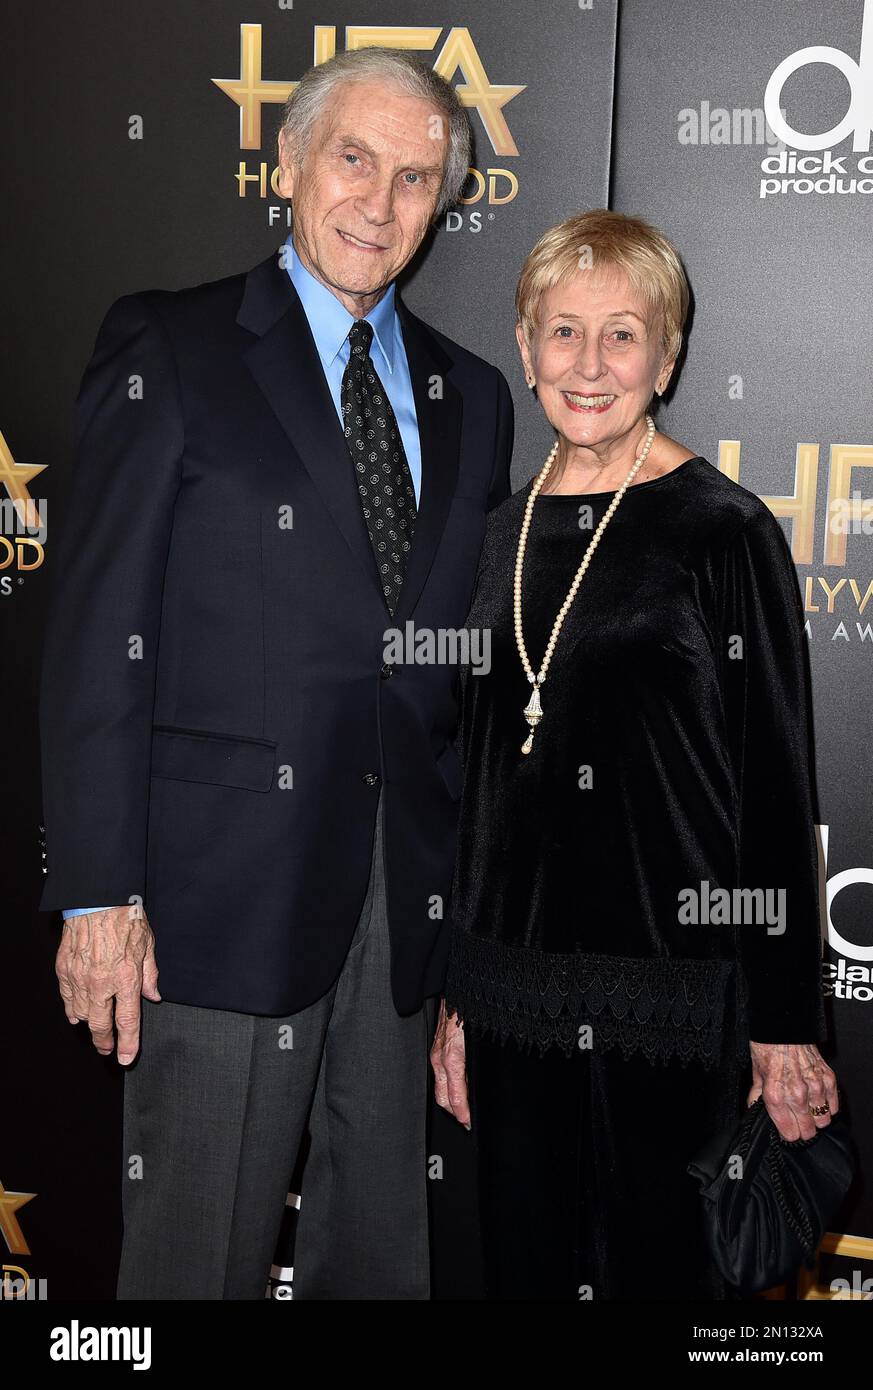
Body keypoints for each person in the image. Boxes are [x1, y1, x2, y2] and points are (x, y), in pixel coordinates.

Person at [38, 47, 513, 1300]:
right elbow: (96, 633)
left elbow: (457, 682)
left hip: (398, 910)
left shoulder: (474, 395)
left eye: (418, 177)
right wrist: (96, 891)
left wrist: (465, 942)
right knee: (194, 1260)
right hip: (211, 903)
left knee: (376, 1262)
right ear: (291, 161)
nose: (380, 200)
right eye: (354, 158)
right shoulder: (174, 342)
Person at [430, 209, 838, 1300]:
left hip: (673, 999)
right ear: (524, 346)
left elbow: (771, 782)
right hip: (515, 999)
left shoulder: (722, 528)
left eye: (624, 334)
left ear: (669, 354)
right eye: (564, 332)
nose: (590, 364)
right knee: (522, 1273)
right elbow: (481, 784)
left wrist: (785, 1026)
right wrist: (462, 995)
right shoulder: (500, 532)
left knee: (664, 1279)